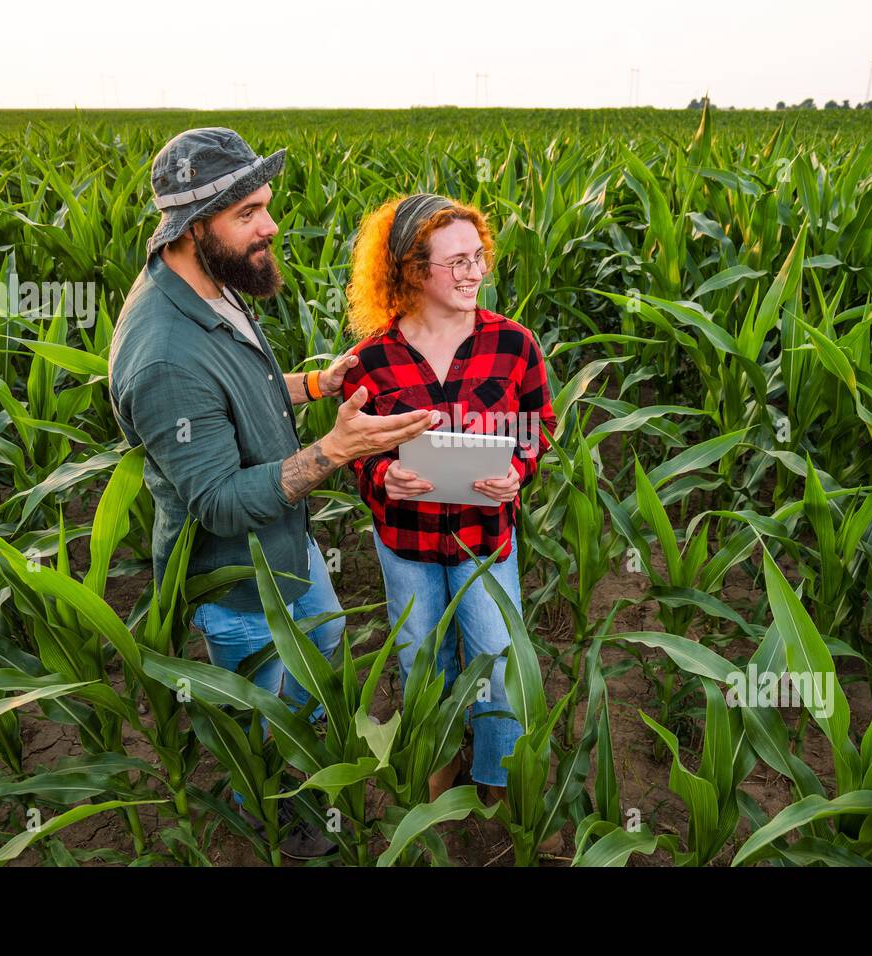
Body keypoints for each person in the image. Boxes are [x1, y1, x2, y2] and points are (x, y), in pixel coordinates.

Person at [108, 129, 434, 856]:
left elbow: (238, 397)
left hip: (287, 549)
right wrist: (335, 448)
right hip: (243, 589)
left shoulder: (208, 285)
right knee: (273, 745)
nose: (271, 225)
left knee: (318, 678)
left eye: (266, 206)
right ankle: (292, 839)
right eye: (249, 212)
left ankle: (316, 798)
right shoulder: (163, 353)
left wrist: (314, 385)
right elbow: (219, 500)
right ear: (195, 228)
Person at [340, 193, 560, 852]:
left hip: (485, 542)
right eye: (456, 261)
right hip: (406, 544)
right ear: (412, 270)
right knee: (422, 661)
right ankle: (438, 783)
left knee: (497, 661)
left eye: (478, 258)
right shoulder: (372, 360)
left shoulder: (513, 345)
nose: (473, 272)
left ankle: (495, 787)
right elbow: (359, 448)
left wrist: (520, 468)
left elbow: (536, 425)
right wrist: (385, 477)